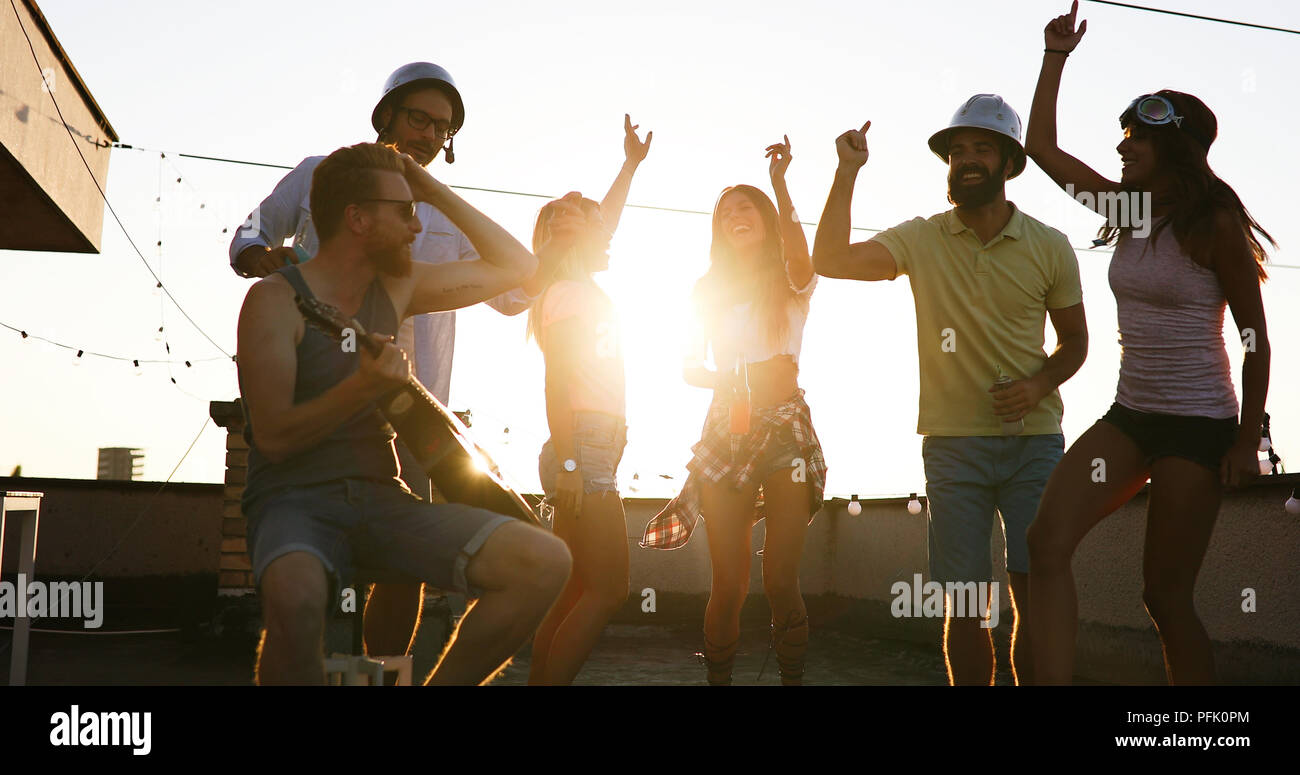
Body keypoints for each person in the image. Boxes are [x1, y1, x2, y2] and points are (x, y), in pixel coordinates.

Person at [228, 62, 535, 659]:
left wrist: (434, 191)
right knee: (302, 582)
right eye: (418, 117)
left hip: (411, 411)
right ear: (386, 115)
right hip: (315, 393)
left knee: (404, 569)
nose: (429, 133)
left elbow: (514, 290)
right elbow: (252, 230)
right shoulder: (323, 176)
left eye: (443, 128)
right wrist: (259, 258)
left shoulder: (437, 212)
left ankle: (387, 673)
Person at [1023, 2, 1272, 685]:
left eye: (1137, 136)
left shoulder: (1210, 223)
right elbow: (1040, 150)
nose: (1123, 145)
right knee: (1045, 544)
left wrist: (1246, 438)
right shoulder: (1128, 210)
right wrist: (1055, 57)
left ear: (1178, 147)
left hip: (1198, 427)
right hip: (1131, 415)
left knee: (1163, 597)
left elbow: (1255, 338)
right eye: (1123, 134)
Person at [813, 97, 1088, 686]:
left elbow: (1076, 345)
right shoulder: (921, 238)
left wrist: (1038, 384)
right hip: (952, 447)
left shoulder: (1051, 245)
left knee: (1034, 597)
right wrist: (846, 172)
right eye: (956, 151)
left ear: (1009, 162)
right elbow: (829, 259)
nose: (965, 161)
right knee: (965, 605)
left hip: (1035, 444)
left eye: (981, 149)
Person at [642, 137, 825, 686]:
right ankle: (718, 680)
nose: (734, 216)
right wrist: (731, 380)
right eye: (724, 213)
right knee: (729, 583)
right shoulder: (707, 289)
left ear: (765, 220)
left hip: (787, 429)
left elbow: (799, 250)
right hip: (727, 428)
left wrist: (780, 183)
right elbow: (688, 366)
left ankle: (791, 678)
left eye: (745, 208)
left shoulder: (792, 282)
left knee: (780, 577)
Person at [524, 115, 651, 685]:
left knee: (577, 586)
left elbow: (607, 220)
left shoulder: (572, 284)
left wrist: (629, 165)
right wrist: (574, 464)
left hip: (585, 448)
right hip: (584, 449)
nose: (579, 202)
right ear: (555, 233)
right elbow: (557, 383)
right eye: (566, 207)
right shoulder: (570, 292)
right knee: (609, 590)